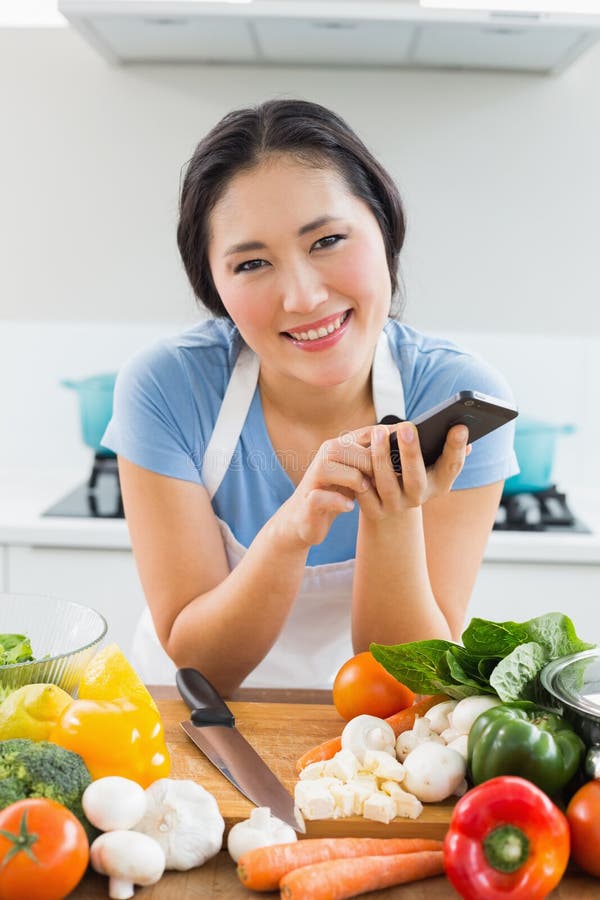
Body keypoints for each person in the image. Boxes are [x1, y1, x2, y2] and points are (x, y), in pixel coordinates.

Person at [102, 98, 518, 694]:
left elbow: (409, 684)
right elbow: (201, 668)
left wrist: (393, 517)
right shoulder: (167, 388)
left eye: (326, 241)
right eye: (251, 264)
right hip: (194, 722)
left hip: (379, 739)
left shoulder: (451, 396)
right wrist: (292, 528)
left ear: (384, 228)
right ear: (213, 286)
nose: (302, 297)